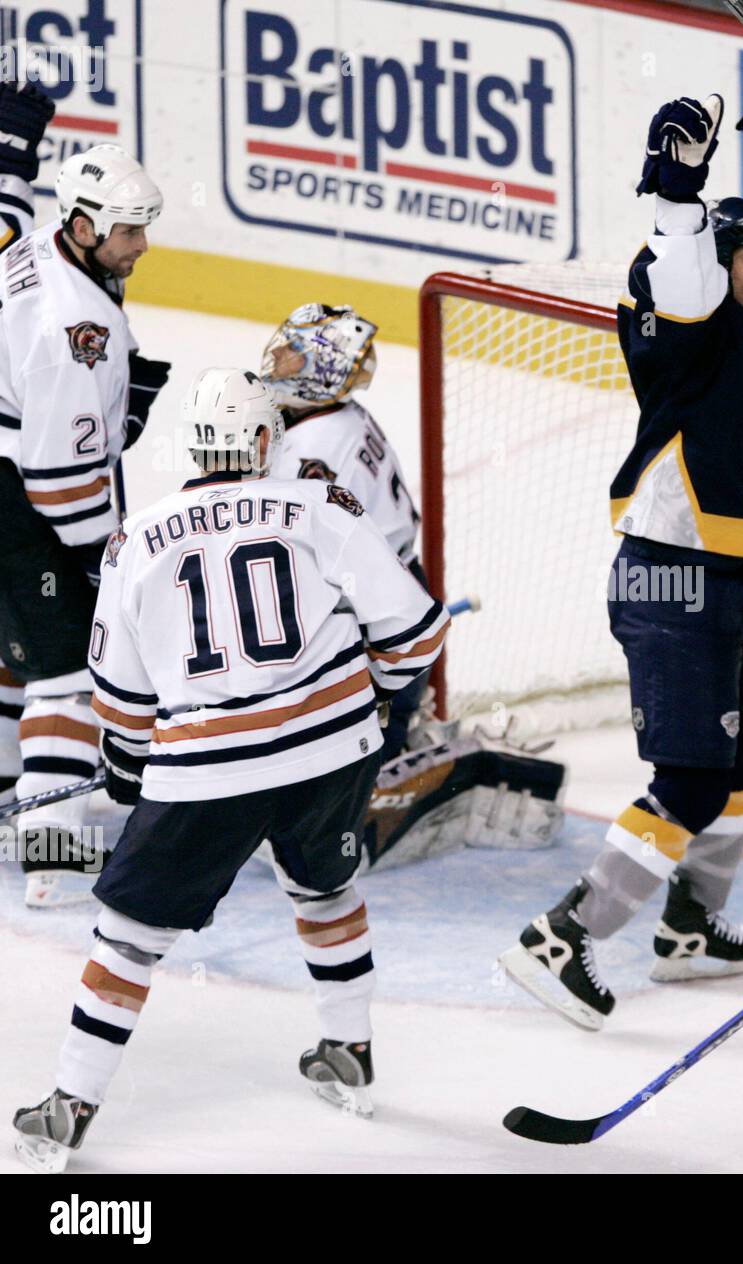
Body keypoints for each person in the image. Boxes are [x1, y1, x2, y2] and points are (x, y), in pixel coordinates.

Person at [12, 369, 448, 1173]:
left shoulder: (134, 540)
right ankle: (349, 1048)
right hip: (332, 751)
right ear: (259, 442)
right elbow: (417, 634)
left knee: (132, 936)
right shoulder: (321, 506)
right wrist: (376, 705)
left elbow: (120, 696)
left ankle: (70, 1104)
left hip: (208, 770)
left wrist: (130, 764)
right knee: (323, 886)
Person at [499, 26, 743, 1030]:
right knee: (687, 775)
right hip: (669, 575)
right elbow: (682, 262)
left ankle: (689, 927)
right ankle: (565, 936)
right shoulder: (683, 318)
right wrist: (673, 187)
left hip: (726, 576)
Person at [0, 79, 171, 906]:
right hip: (19, 494)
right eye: (129, 231)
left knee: (13, 652)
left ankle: (8, 799)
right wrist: (106, 558)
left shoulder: (30, 243)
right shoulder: (78, 332)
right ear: (83, 226)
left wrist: (10, 139)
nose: (140, 245)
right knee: (67, 669)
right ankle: (53, 854)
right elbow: (59, 480)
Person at [259, 302, 425, 760]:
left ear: (321, 371)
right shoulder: (341, 416)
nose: (278, 358)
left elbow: (292, 553)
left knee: (357, 756)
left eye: (293, 352)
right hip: (395, 592)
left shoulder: (313, 447)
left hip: (371, 616)